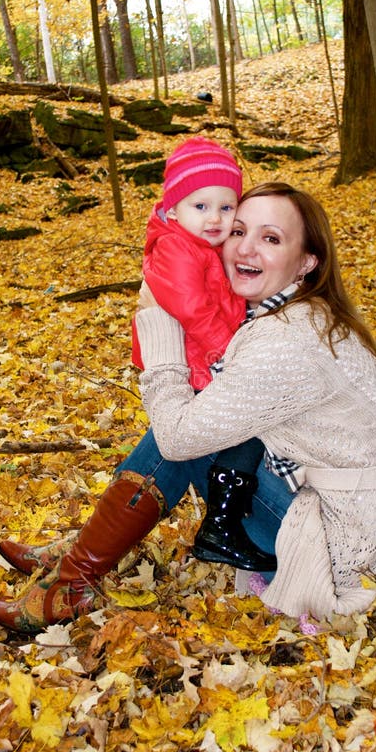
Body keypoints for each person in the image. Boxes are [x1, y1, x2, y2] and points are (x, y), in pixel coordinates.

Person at [0, 181, 376, 634]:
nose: (245, 248)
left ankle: (72, 580)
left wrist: (160, 330)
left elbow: (177, 438)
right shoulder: (301, 315)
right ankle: (78, 560)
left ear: (307, 262)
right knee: (198, 425)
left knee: (183, 436)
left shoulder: (287, 339)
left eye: (271, 238)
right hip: (357, 519)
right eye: (238, 231)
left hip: (344, 545)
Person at [130, 136, 269, 571]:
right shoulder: (175, 248)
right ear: (173, 209)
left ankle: (80, 559)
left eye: (226, 207)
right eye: (201, 206)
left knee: (182, 443)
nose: (215, 218)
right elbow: (194, 310)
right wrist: (229, 354)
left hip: (203, 358)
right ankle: (222, 525)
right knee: (231, 433)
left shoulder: (203, 246)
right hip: (197, 361)